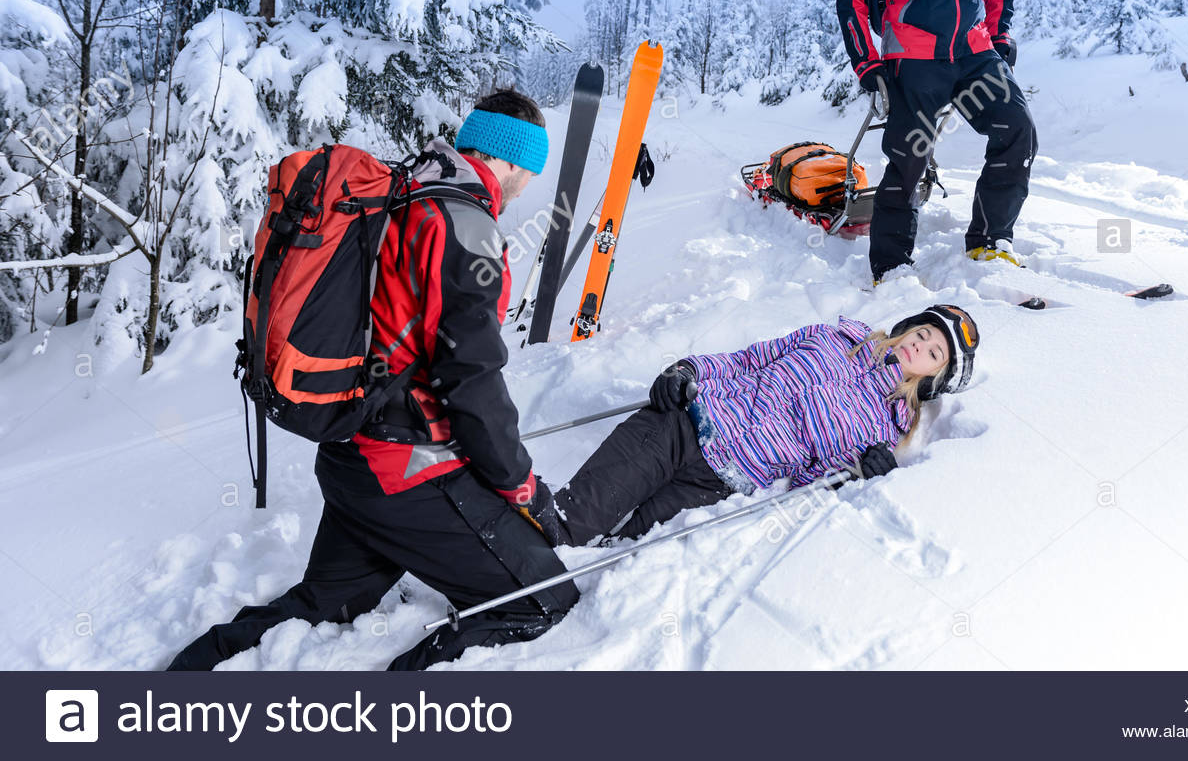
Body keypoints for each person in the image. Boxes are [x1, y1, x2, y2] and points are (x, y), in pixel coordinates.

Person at [167, 89, 578, 672]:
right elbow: (473, 381)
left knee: (322, 605)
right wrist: (519, 486)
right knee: (542, 600)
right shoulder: (467, 226)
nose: (525, 189)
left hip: (349, 458)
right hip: (405, 471)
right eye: (529, 173)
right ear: (511, 159)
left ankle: (183, 678)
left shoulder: (405, 189)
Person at [553, 305, 979, 546]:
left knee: (616, 556)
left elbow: (808, 483)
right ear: (908, 328)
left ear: (934, 376)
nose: (919, 346)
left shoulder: (885, 426)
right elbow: (747, 360)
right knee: (574, 521)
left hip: (717, 486)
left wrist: (856, 475)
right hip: (684, 426)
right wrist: (686, 370)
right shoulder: (832, 338)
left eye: (934, 352)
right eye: (922, 333)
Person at [835, 0, 1038, 284]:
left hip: (973, 54)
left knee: (1017, 131)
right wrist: (869, 66)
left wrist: (1000, 37)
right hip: (914, 60)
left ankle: (990, 242)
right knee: (909, 158)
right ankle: (891, 266)